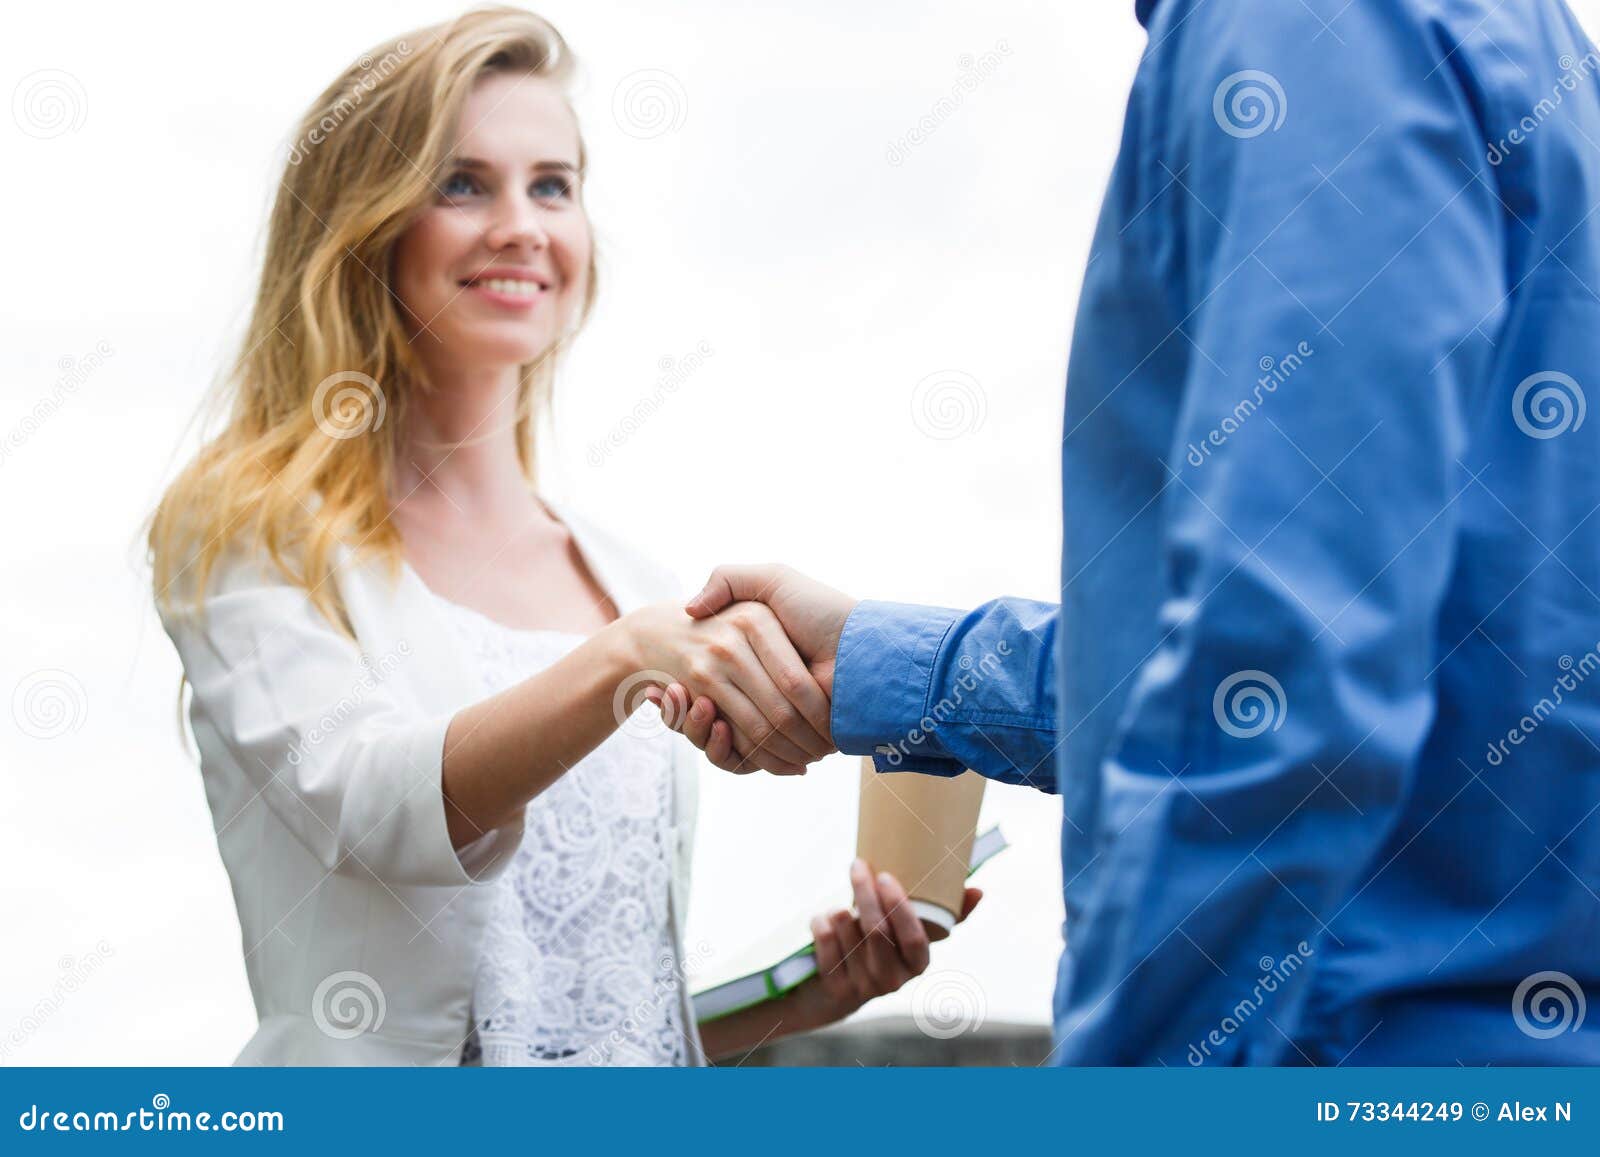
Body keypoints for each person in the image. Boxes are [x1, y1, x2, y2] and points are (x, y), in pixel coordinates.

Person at [664, 0, 1600, 1065]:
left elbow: (1280, 668)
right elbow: (1433, 652)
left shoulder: (1307, 26)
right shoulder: (1506, 47)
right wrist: (896, 667)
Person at [146, 7, 973, 1067]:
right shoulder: (249, 532)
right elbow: (362, 797)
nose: (522, 225)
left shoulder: (628, 577)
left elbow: (599, 1002)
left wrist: (798, 998)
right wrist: (624, 657)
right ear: (366, 223)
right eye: (462, 183)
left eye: (552, 184)